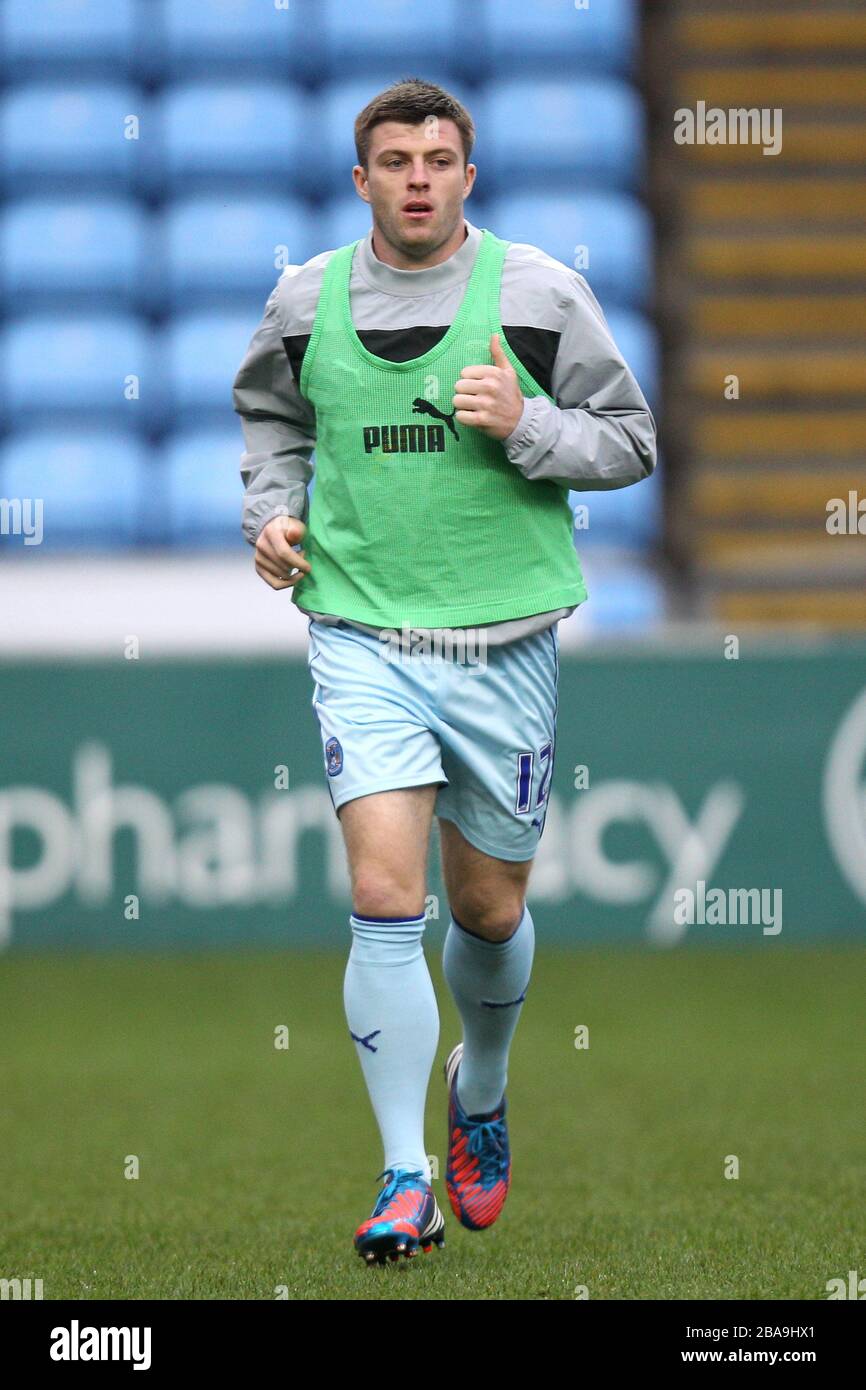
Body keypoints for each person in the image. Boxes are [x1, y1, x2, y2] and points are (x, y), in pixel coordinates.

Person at [233, 77, 656, 1265]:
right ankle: (402, 1174)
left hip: (502, 639)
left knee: (488, 908)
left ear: (468, 175)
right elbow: (271, 421)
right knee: (382, 894)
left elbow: (630, 441)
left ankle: (483, 1085)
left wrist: (525, 425)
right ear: (359, 178)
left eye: (437, 158)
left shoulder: (538, 293)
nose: (416, 176)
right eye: (393, 159)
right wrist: (269, 516)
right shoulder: (302, 299)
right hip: (361, 635)